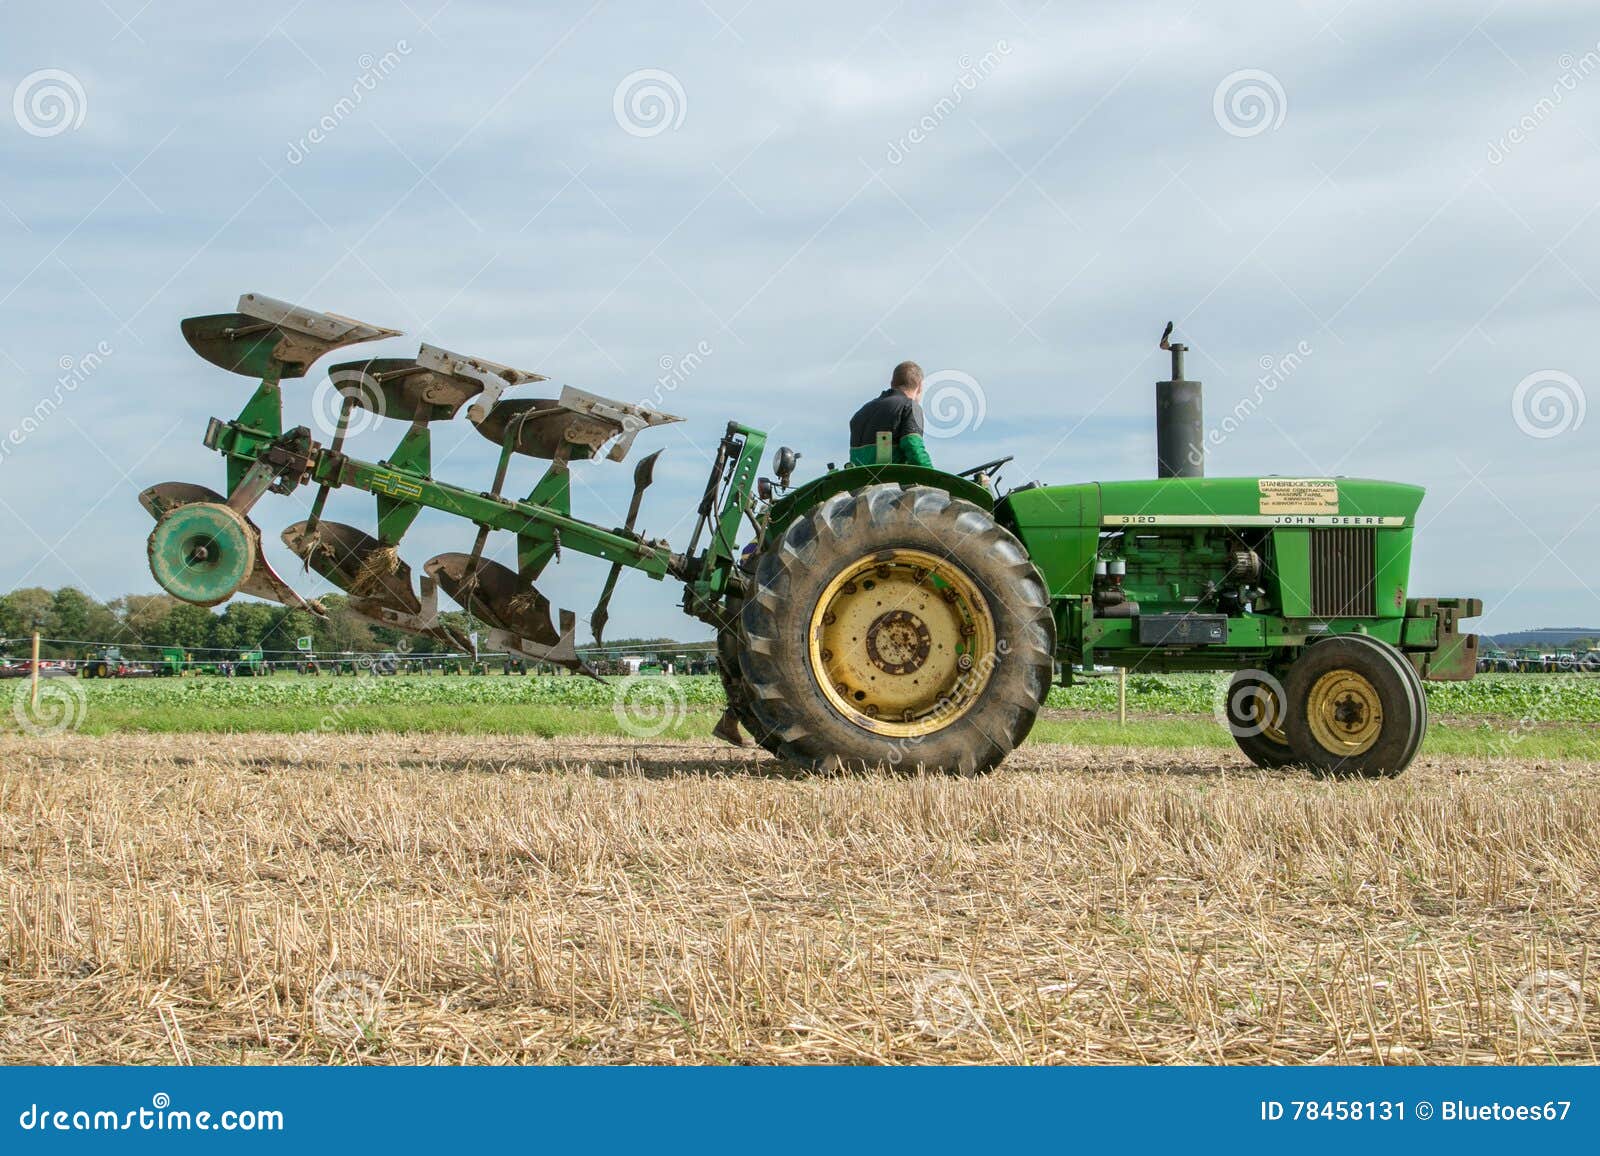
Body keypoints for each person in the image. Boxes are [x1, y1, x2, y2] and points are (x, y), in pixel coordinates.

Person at [848, 361, 933, 467]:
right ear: (920, 386)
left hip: (860, 480)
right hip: (893, 479)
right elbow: (914, 449)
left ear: (892, 383)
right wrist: (936, 479)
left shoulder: (860, 413)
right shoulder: (910, 406)